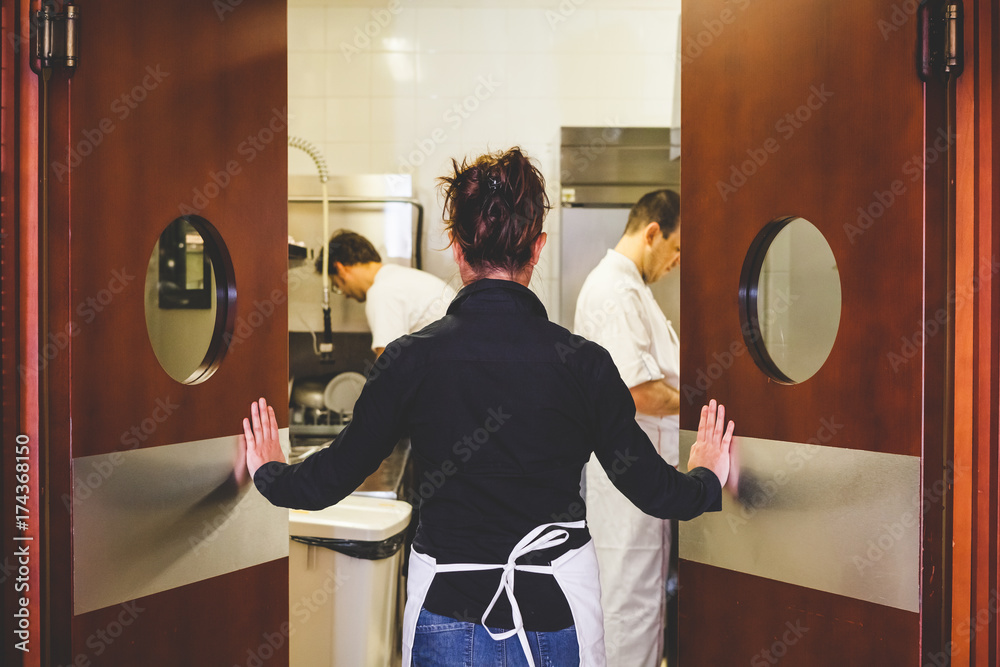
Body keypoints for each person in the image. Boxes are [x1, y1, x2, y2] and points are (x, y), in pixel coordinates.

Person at [243, 150, 733, 667]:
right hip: (557, 612)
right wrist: (705, 477)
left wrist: (270, 472)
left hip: (445, 617)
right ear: (538, 248)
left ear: (457, 248)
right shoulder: (584, 364)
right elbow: (652, 489)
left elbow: (333, 475)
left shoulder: (411, 358)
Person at [573, 188, 683, 666]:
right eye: (676, 249)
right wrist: (699, 409)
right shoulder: (614, 290)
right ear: (652, 233)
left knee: (640, 597)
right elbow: (639, 392)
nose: (676, 263)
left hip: (642, 479)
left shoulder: (635, 289)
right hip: (627, 482)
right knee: (626, 602)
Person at [315, 230, 456, 355]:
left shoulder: (381, 291)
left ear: (340, 269)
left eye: (337, 285)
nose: (344, 294)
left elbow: (387, 367)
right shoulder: (397, 278)